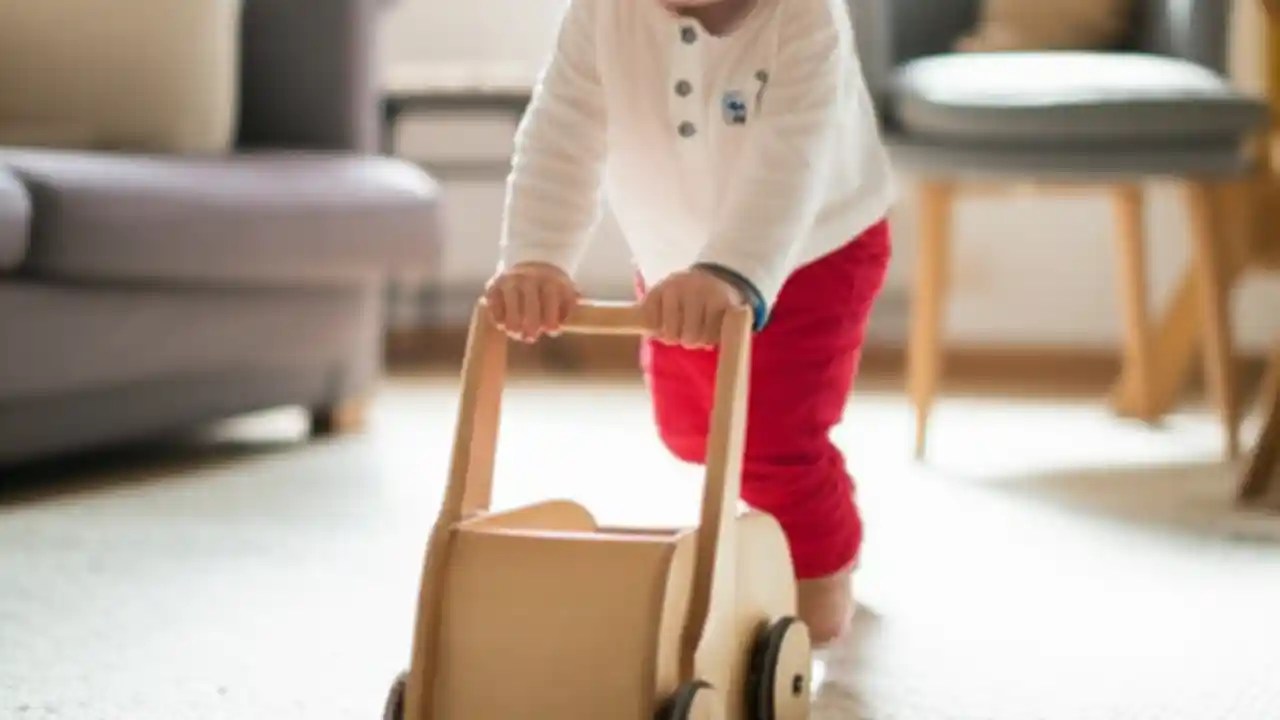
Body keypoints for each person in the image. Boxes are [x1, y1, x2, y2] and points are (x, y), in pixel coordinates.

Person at [484, 0, 894, 646]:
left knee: (772, 441)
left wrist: (730, 272)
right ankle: (809, 502)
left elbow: (792, 157)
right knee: (692, 432)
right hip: (674, 258)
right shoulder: (601, 13)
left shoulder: (806, 16)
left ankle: (822, 584)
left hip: (812, 250)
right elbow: (563, 131)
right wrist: (538, 255)